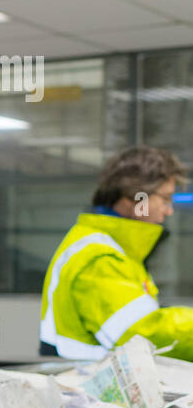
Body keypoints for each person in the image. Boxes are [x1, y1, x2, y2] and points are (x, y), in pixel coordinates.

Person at [40, 146, 192, 360]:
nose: (169, 211)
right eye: (165, 198)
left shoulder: (115, 249)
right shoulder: (99, 256)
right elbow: (143, 333)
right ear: (135, 196)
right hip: (87, 386)